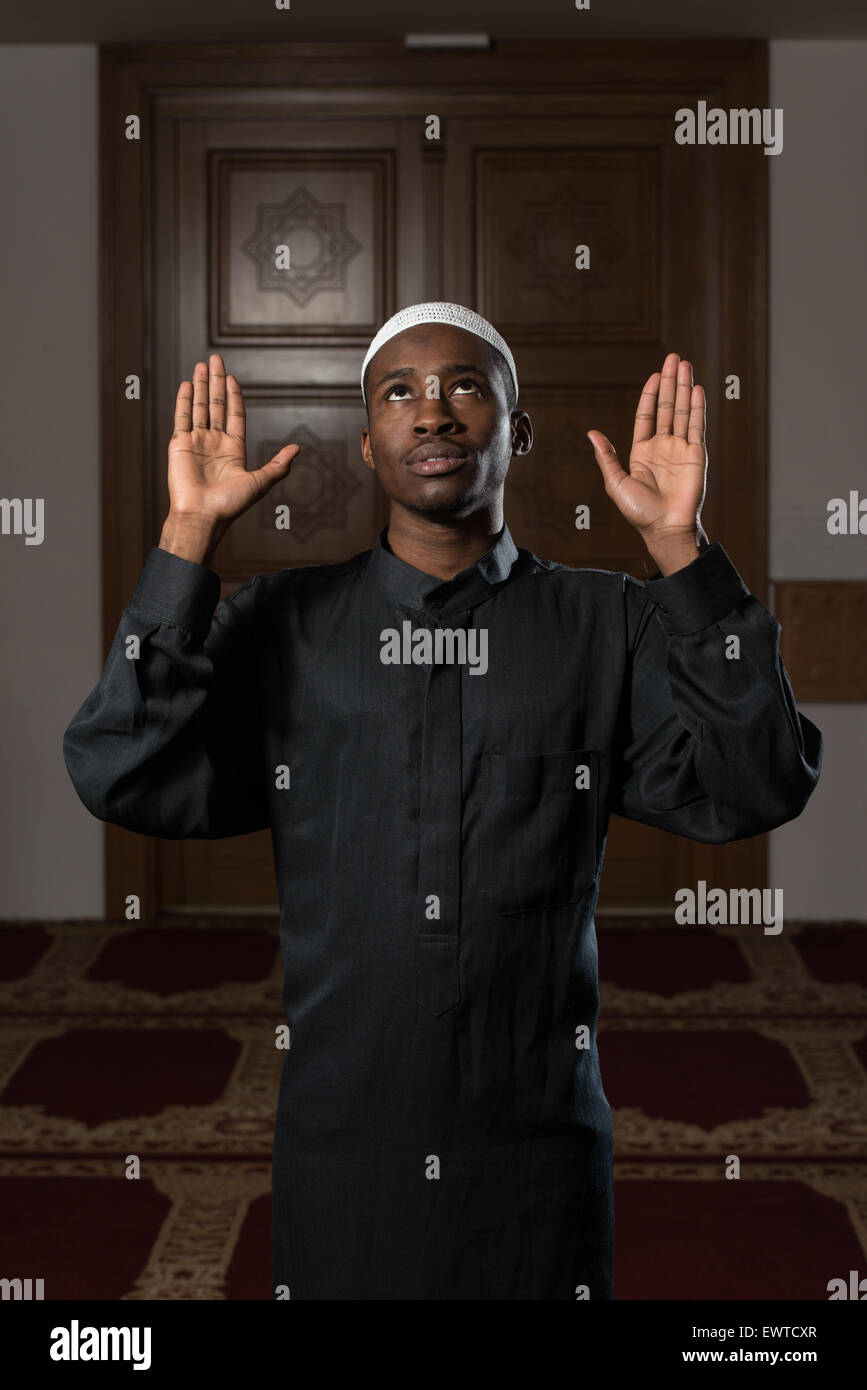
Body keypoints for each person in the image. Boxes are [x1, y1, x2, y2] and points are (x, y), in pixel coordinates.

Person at [63, 302, 822, 1300]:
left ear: (519, 429)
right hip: (346, 1143)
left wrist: (683, 552)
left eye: (467, 387)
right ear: (369, 441)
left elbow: (759, 781)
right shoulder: (286, 623)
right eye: (399, 394)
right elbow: (119, 768)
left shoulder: (607, 622)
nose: (434, 414)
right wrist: (187, 534)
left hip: (538, 1140)